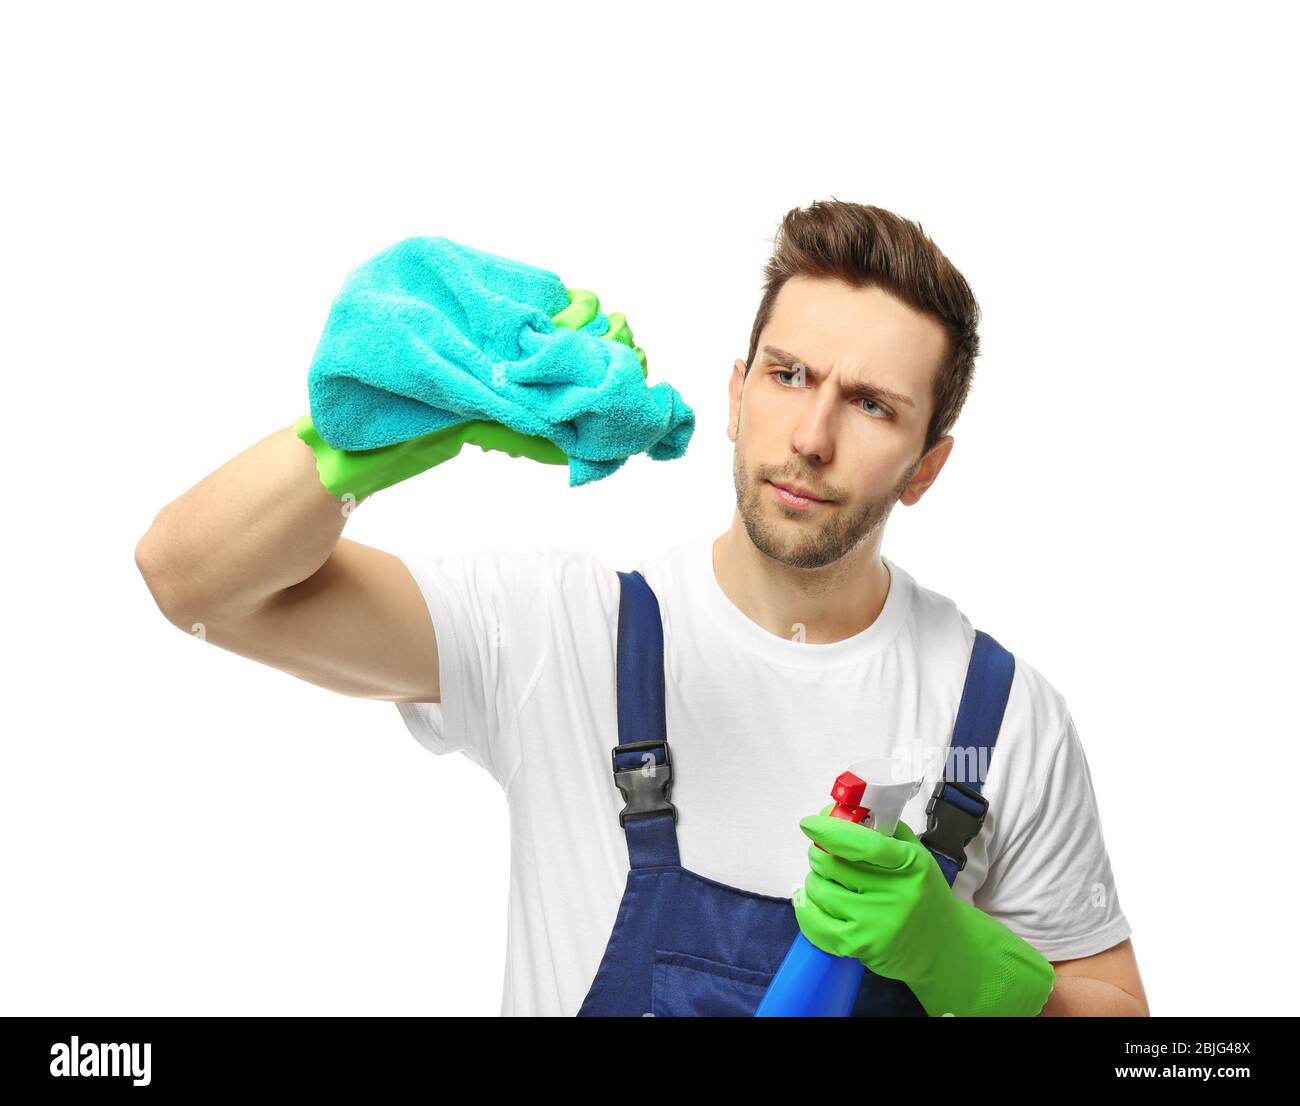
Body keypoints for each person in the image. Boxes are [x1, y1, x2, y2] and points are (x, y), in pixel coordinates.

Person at [136, 200, 1149, 1017]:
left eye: (873, 405)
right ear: (737, 390)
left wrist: (975, 970)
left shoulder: (1004, 716)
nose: (810, 434)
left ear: (926, 466)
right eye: (788, 375)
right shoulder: (563, 632)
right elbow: (193, 583)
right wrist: (370, 445)